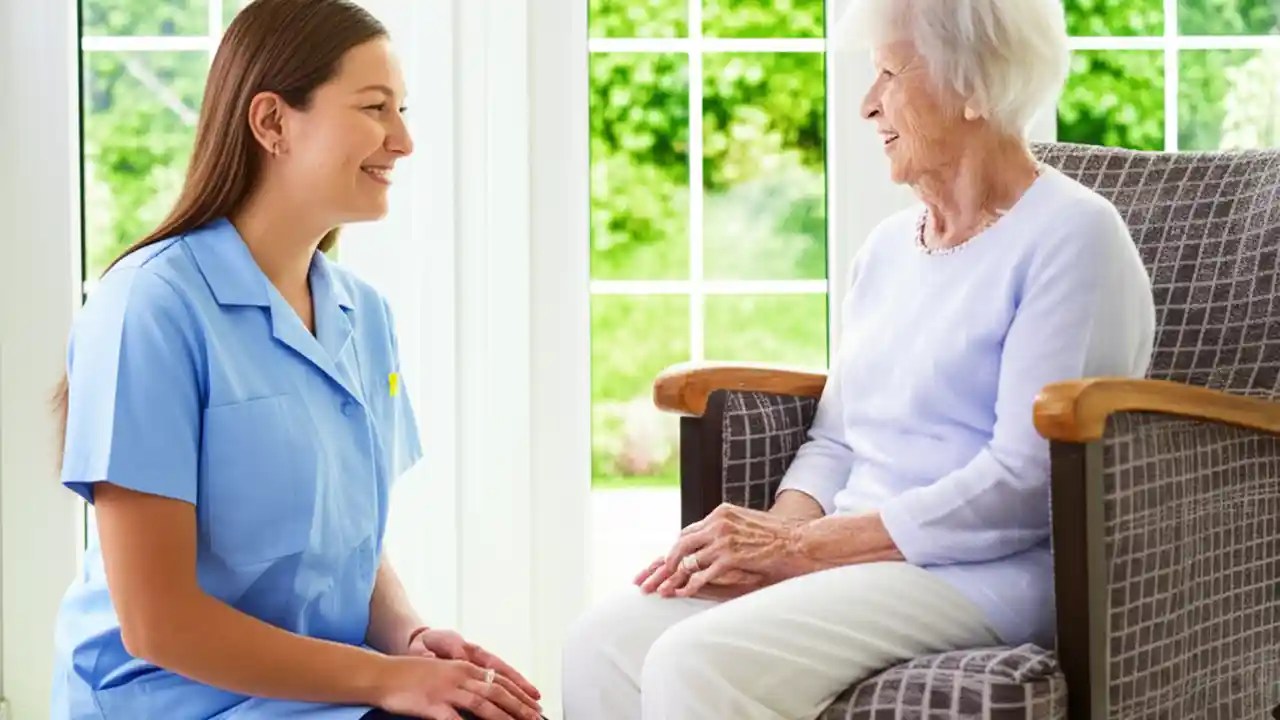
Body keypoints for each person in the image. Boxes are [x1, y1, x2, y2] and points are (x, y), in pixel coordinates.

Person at [562, 0, 1157, 718]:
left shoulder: (1073, 236)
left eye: (886, 73)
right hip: (851, 553)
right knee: (602, 641)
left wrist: (810, 548)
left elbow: (1026, 481)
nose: (867, 106)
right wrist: (778, 534)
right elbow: (836, 439)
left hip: (981, 571)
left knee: (701, 661)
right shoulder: (886, 249)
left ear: (973, 85)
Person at [50, 2, 544, 719]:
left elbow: (347, 546)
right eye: (376, 108)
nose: (402, 140)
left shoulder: (361, 313)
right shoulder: (148, 308)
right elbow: (157, 623)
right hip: (177, 702)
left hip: (322, 694)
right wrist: (384, 680)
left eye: (401, 109)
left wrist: (409, 640)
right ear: (273, 123)